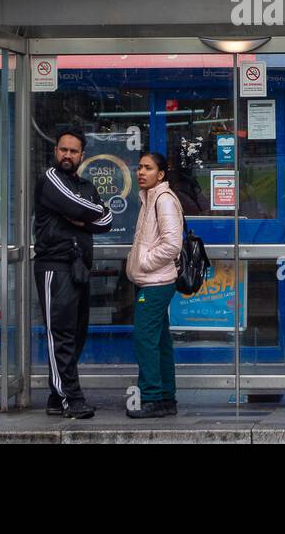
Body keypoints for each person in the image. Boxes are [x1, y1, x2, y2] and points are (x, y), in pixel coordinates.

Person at [33, 126, 112, 418]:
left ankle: (58, 396)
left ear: (82, 155)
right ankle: (71, 399)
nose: (67, 155)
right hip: (55, 266)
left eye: (73, 151)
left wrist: (84, 216)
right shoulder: (50, 178)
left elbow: (107, 221)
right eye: (63, 149)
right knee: (61, 334)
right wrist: (87, 213)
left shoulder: (86, 186)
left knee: (77, 334)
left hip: (79, 268)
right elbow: (84, 209)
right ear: (56, 151)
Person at [126, 151, 185, 419]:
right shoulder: (149, 198)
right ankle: (165, 398)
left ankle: (150, 396)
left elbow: (173, 244)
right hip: (152, 280)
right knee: (159, 341)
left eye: (147, 168)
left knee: (145, 339)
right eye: (139, 167)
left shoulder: (163, 200)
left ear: (160, 175)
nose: (141, 172)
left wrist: (145, 262)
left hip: (156, 282)